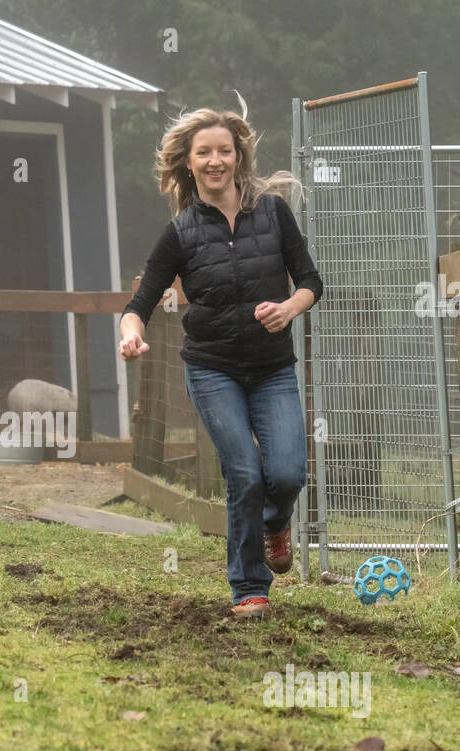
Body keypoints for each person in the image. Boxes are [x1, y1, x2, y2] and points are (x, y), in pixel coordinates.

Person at [118, 92, 323, 621]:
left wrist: (290, 308)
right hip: (213, 371)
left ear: (239, 157)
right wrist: (131, 334)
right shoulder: (182, 233)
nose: (215, 161)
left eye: (224, 151)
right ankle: (249, 586)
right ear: (188, 163)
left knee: (287, 474)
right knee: (244, 475)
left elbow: (310, 282)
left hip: (273, 368)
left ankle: (276, 523)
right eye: (204, 153)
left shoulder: (274, 213)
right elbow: (139, 302)